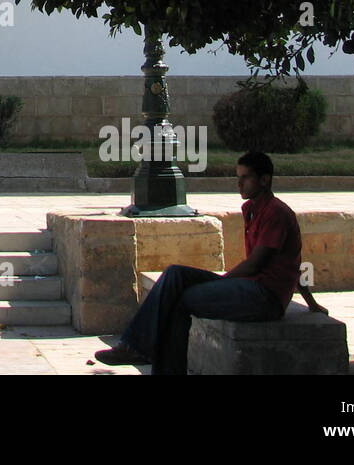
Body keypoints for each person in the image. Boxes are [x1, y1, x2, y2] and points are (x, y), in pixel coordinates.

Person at [94, 151, 328, 375]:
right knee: (175, 275)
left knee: (181, 301)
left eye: (246, 178)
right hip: (249, 287)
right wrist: (312, 304)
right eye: (238, 178)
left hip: (265, 298)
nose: (239, 184)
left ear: (264, 180)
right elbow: (293, 263)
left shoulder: (276, 212)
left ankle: (145, 354)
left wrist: (221, 284)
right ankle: (136, 347)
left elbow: (257, 264)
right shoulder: (252, 210)